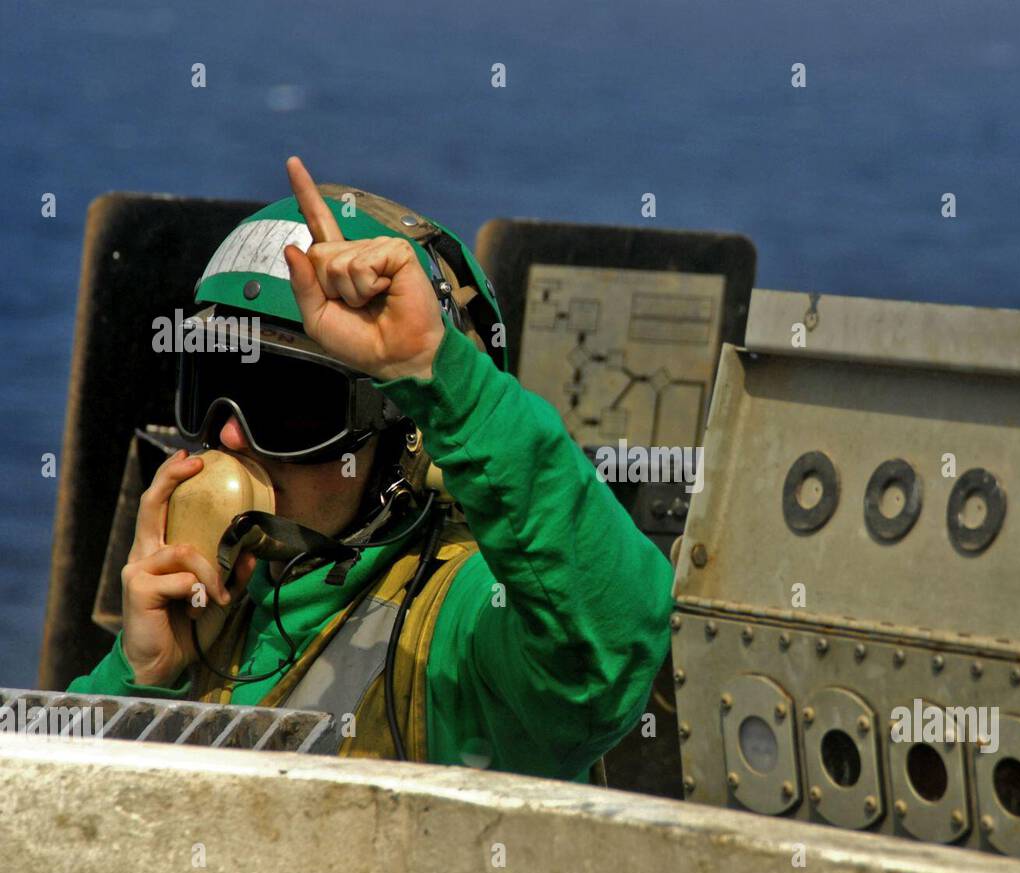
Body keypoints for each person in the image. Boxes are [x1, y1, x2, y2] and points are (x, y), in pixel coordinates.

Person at [68, 157, 674, 782]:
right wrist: (139, 682)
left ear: (404, 438)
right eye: (215, 387)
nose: (229, 432)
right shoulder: (201, 615)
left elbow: (610, 646)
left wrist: (440, 377)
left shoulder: (460, 628)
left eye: (287, 404)